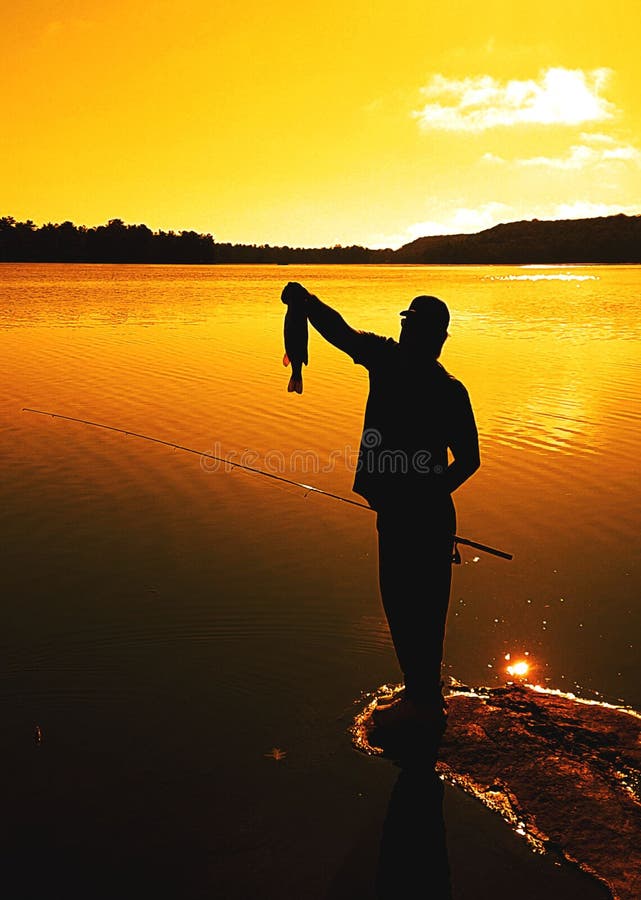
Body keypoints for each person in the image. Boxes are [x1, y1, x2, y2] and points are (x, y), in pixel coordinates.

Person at [280, 282, 480, 738]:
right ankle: (420, 693)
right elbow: (339, 331)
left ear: (426, 334)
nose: (406, 331)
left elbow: (339, 332)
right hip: (415, 514)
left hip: (417, 518)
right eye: (407, 324)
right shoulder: (426, 377)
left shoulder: (414, 373)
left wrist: (423, 497)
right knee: (412, 606)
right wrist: (308, 304)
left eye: (412, 325)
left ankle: (425, 704)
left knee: (412, 607)